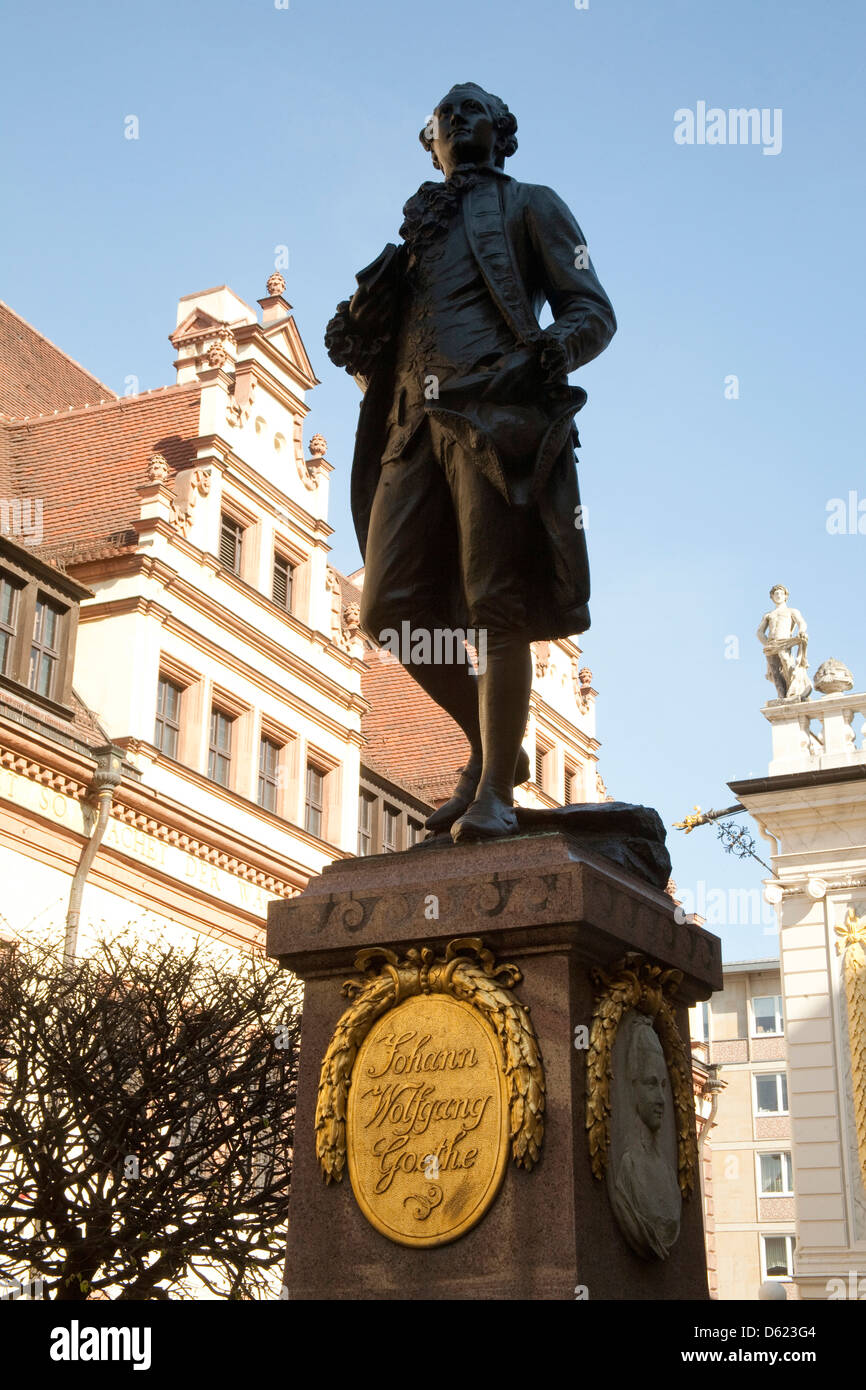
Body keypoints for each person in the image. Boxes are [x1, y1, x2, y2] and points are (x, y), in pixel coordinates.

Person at [326, 83, 616, 840]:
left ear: (502, 133)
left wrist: (543, 356)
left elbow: (592, 310)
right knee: (387, 610)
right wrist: (359, 331)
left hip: (491, 417)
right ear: (431, 143)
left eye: (472, 110)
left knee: (496, 601)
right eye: (443, 115)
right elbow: (380, 347)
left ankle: (493, 789)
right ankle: (496, 747)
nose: (455, 120)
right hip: (410, 427)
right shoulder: (416, 233)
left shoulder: (532, 204)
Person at [608, 1014, 682, 1260]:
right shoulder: (628, 1168)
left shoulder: (668, 1173)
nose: (661, 1098)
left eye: (663, 1085)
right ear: (633, 1087)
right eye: (650, 1084)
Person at [756, 585, 810, 701]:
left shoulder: (791, 611)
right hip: (771, 644)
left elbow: (801, 622)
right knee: (774, 670)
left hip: (784, 641)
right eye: (776, 594)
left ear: (785, 596)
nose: (778, 595)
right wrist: (766, 643)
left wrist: (801, 631)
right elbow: (759, 632)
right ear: (772, 597)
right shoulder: (768, 615)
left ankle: (793, 690)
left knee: (786, 661)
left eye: (781, 593)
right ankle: (781, 695)